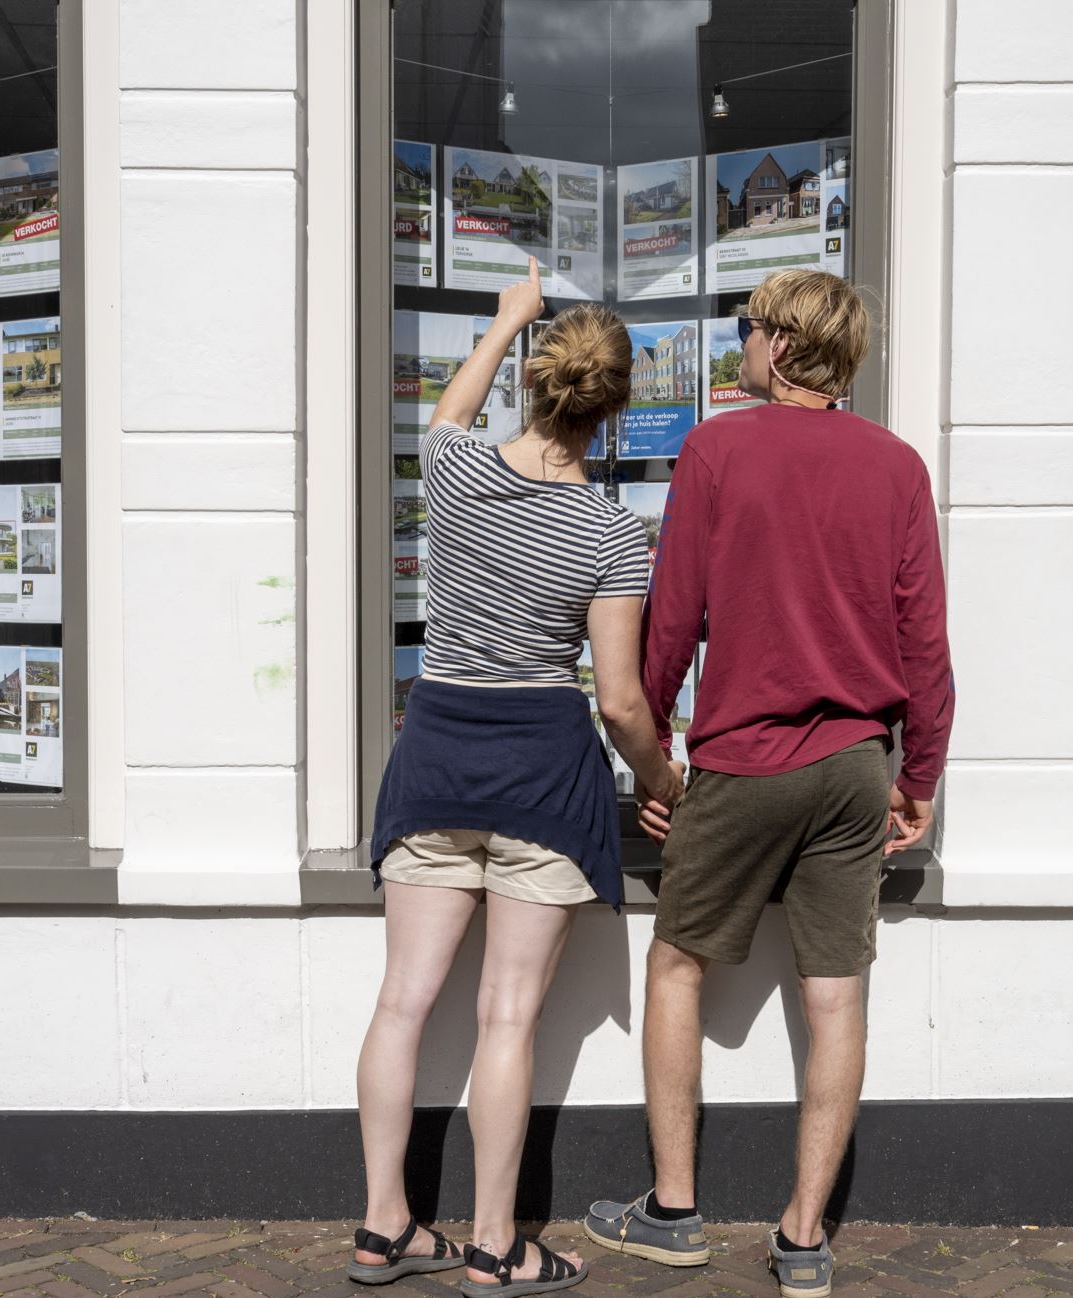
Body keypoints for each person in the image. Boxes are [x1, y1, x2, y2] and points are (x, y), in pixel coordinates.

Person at [585, 269, 954, 1297]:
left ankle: (672, 1209)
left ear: (783, 347)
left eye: (748, 329)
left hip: (745, 756)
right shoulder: (896, 466)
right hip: (851, 768)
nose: (738, 345)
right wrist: (918, 770)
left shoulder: (717, 449)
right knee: (834, 992)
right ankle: (801, 1238)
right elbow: (924, 641)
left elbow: (674, 621)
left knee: (675, 965)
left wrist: (650, 747)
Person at [350, 258, 685, 1297]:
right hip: (543, 769)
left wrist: (506, 320)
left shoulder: (454, 470)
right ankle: (497, 1244)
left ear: (534, 381)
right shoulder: (613, 532)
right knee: (507, 1017)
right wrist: (663, 777)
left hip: (438, 748)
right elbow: (622, 700)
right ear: (614, 410)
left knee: (402, 1001)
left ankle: (383, 1225)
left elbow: (451, 410)